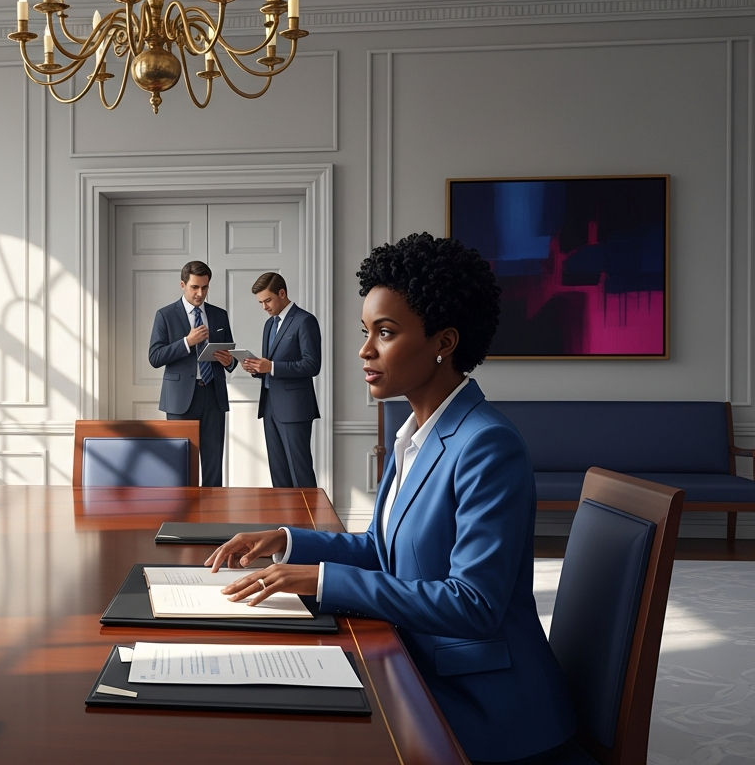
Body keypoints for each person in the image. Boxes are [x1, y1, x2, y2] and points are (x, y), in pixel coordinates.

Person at [205, 234, 577, 764]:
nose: (364, 350)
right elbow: (384, 551)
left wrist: (323, 579)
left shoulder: (487, 444)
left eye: (386, 332)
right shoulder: (414, 432)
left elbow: (474, 605)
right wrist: (287, 544)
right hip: (417, 665)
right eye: (365, 331)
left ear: (443, 341)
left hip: (482, 706)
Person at [148, 260, 237, 487]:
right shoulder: (165, 315)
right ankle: (182, 517)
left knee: (213, 464)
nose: (200, 293)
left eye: (205, 288)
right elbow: (155, 357)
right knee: (180, 464)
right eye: (194, 287)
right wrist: (187, 342)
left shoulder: (219, 315)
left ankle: (213, 517)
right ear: (182, 284)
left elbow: (228, 354)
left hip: (213, 396)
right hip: (180, 400)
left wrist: (229, 361)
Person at [240, 272, 320, 488]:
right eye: (260, 302)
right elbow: (270, 364)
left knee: (300, 472)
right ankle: (285, 521)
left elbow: (312, 365)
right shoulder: (269, 325)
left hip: (294, 409)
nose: (264, 306)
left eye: (267, 300)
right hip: (270, 408)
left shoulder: (305, 321)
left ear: (282, 293)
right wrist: (257, 368)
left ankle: (308, 522)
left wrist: (272, 367)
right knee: (279, 474)